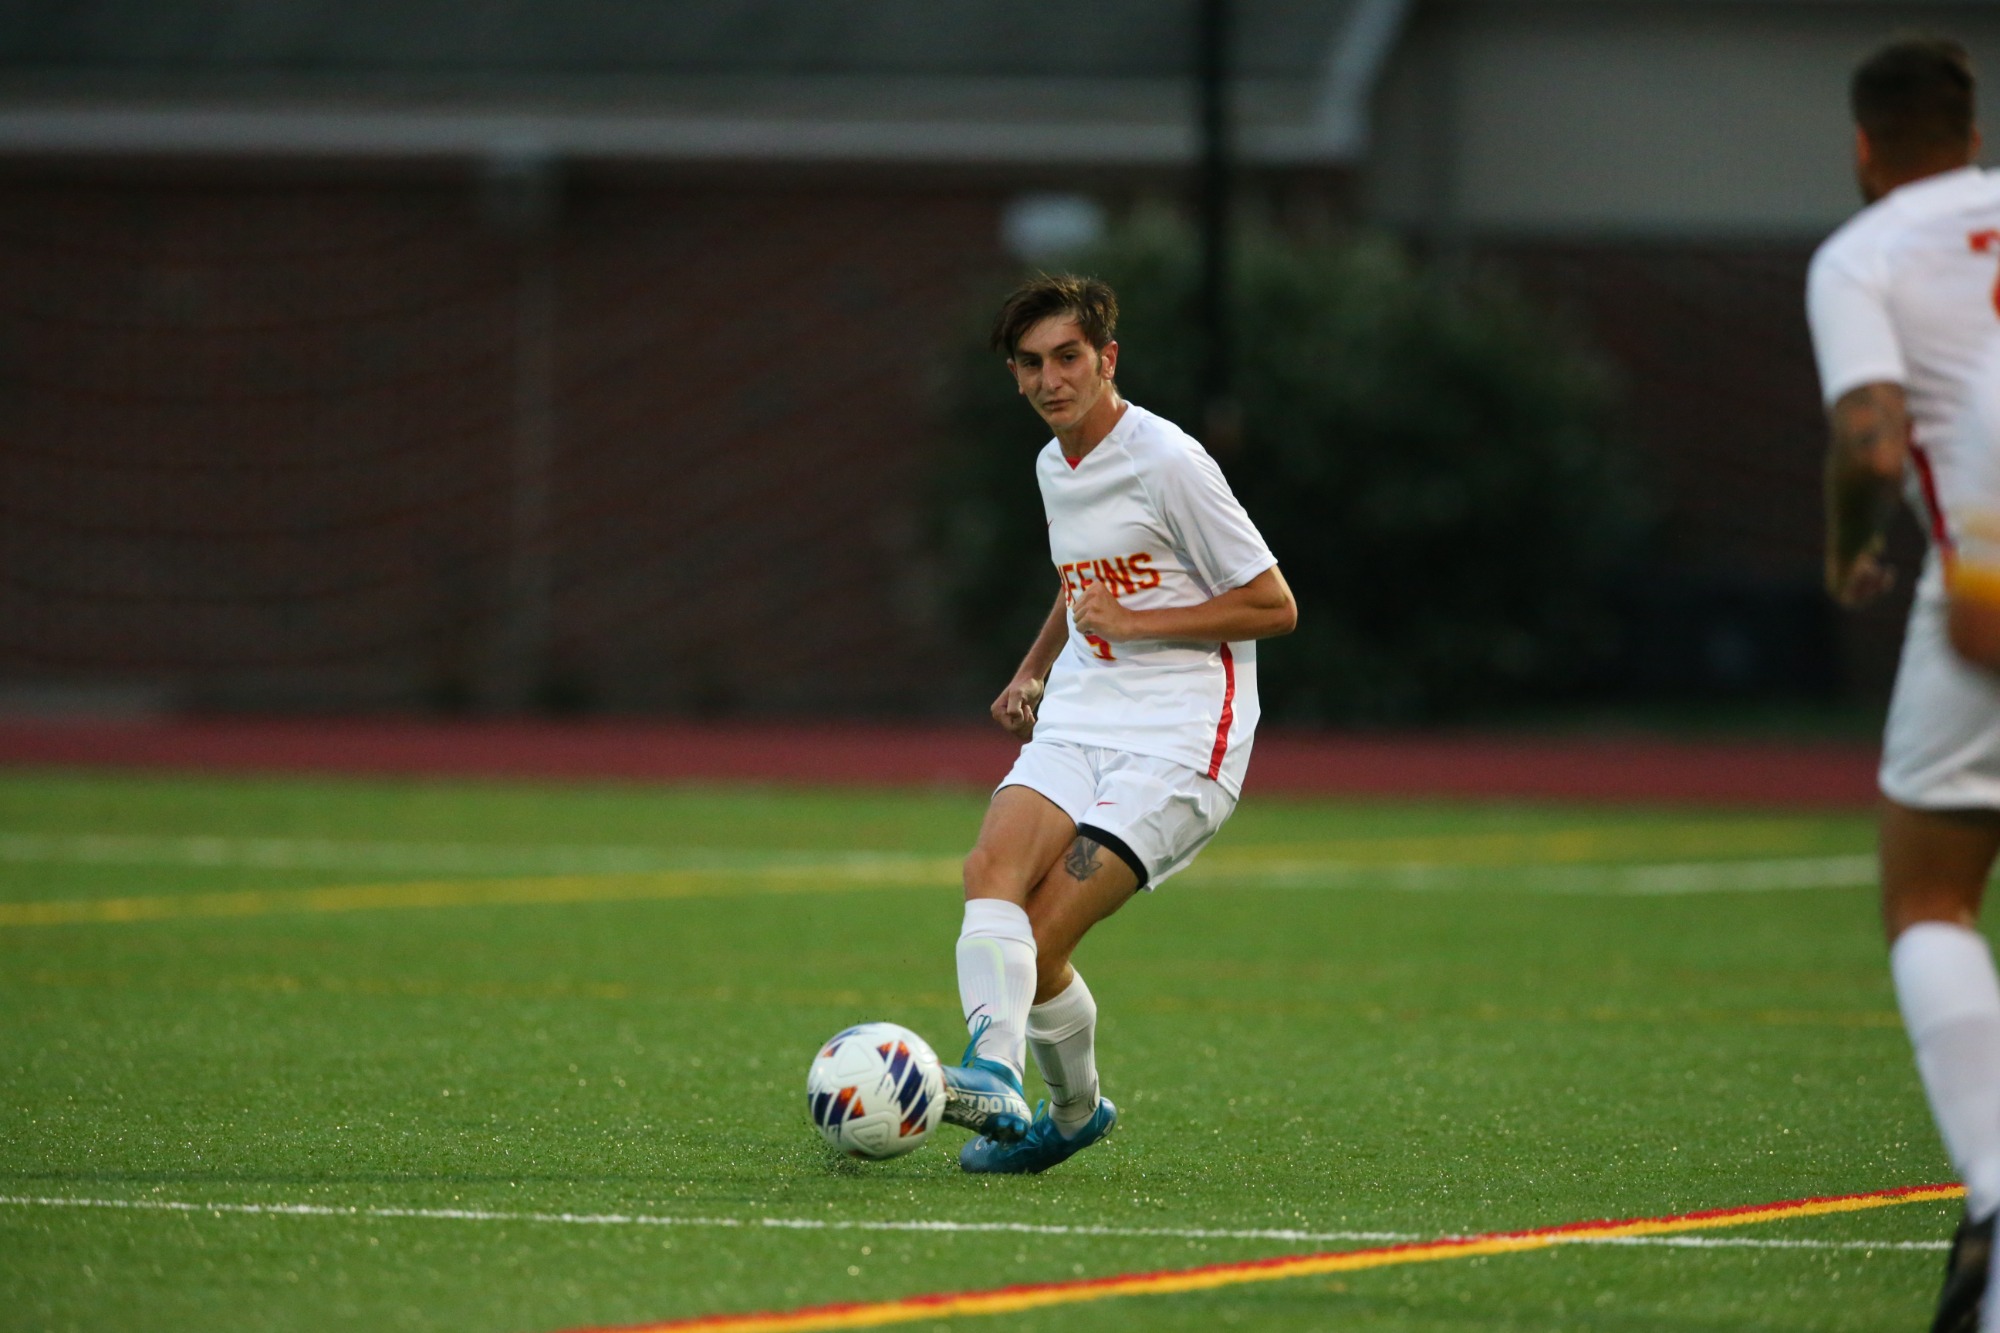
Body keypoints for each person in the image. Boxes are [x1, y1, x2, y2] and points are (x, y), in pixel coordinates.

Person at [936, 273, 1297, 1174]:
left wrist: (1140, 626)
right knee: (991, 871)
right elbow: (1082, 582)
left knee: (1044, 934)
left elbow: (1273, 605)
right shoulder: (1054, 464)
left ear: (1107, 360)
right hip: (1081, 717)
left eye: (1068, 357)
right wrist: (1033, 668)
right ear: (1015, 375)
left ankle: (1065, 1110)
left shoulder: (1168, 459)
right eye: (1031, 363)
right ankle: (999, 1072)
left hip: (1182, 744)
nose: (1051, 378)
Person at [1808, 36, 2000, 1331]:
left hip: (1987, 572)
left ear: (1868, 146)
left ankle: (1996, 1188)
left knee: (1929, 894)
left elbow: (1873, 439)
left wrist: (1845, 542)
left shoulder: (1862, 253)